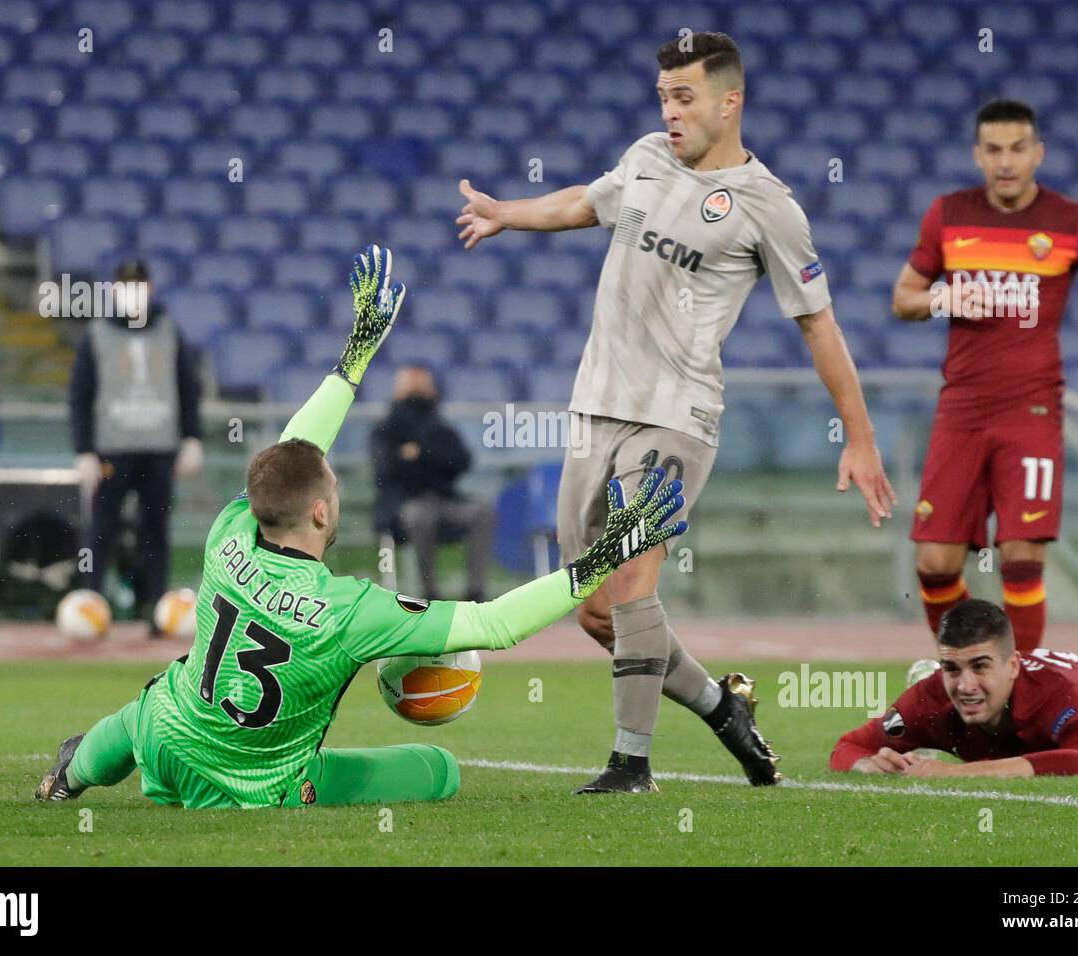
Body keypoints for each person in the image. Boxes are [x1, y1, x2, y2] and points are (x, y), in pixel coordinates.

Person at [36, 245, 689, 810]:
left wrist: (351, 362)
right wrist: (608, 553)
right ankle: (264, 778)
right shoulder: (349, 609)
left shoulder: (228, 532)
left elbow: (290, 448)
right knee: (438, 772)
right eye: (332, 487)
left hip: (169, 737)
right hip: (252, 786)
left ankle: (71, 770)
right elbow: (496, 626)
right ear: (320, 510)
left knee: (148, 709)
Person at [456, 31, 893, 793]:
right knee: (594, 609)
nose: (670, 112)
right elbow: (583, 205)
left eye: (684, 97)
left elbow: (818, 322)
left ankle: (631, 765)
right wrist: (508, 213)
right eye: (663, 96)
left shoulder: (770, 208)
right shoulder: (646, 158)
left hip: (676, 415)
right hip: (596, 407)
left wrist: (858, 435)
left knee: (632, 585)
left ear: (732, 101)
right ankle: (725, 708)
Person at [891, 99, 1078, 653]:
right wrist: (945, 295)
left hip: (1031, 410)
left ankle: (1024, 681)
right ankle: (967, 666)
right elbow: (902, 299)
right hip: (960, 409)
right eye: (993, 150)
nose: (1005, 162)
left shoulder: (1072, 221)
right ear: (977, 155)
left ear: (1038, 153)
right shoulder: (948, 214)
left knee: (1022, 555)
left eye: (1017, 149)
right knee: (934, 564)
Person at [830, 599, 1078, 777]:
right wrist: (869, 764)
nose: (965, 685)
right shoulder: (930, 698)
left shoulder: (1055, 691)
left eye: (980, 666)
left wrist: (954, 774)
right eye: (952, 668)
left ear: (1012, 665)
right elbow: (847, 747)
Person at [68, 259, 204, 632]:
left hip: (160, 448)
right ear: (114, 291)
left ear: (150, 289)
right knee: (101, 529)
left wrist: (192, 437)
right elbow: (80, 396)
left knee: (155, 530)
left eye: (138, 284)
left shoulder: (169, 332)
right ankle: (90, 605)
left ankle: (157, 609)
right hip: (112, 449)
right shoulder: (96, 335)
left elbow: (187, 388)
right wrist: (84, 450)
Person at [370, 365, 494, 602]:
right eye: (412, 384)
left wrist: (421, 454)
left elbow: (461, 460)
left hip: (445, 500)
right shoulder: (386, 427)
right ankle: (430, 594)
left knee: (482, 511)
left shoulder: (439, 424)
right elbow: (385, 469)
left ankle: (475, 593)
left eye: (422, 384)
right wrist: (431, 460)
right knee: (420, 516)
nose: (418, 390)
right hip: (404, 503)